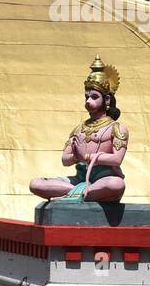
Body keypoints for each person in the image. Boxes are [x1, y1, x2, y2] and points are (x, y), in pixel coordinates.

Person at [30, 56, 128, 202]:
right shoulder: (79, 129)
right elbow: (65, 160)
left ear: (106, 99)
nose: (88, 101)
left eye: (94, 97)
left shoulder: (116, 128)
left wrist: (87, 156)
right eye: (86, 97)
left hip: (104, 179)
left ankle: (72, 194)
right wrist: (77, 157)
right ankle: (81, 193)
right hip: (80, 179)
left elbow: (117, 159)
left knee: (116, 184)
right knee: (36, 183)